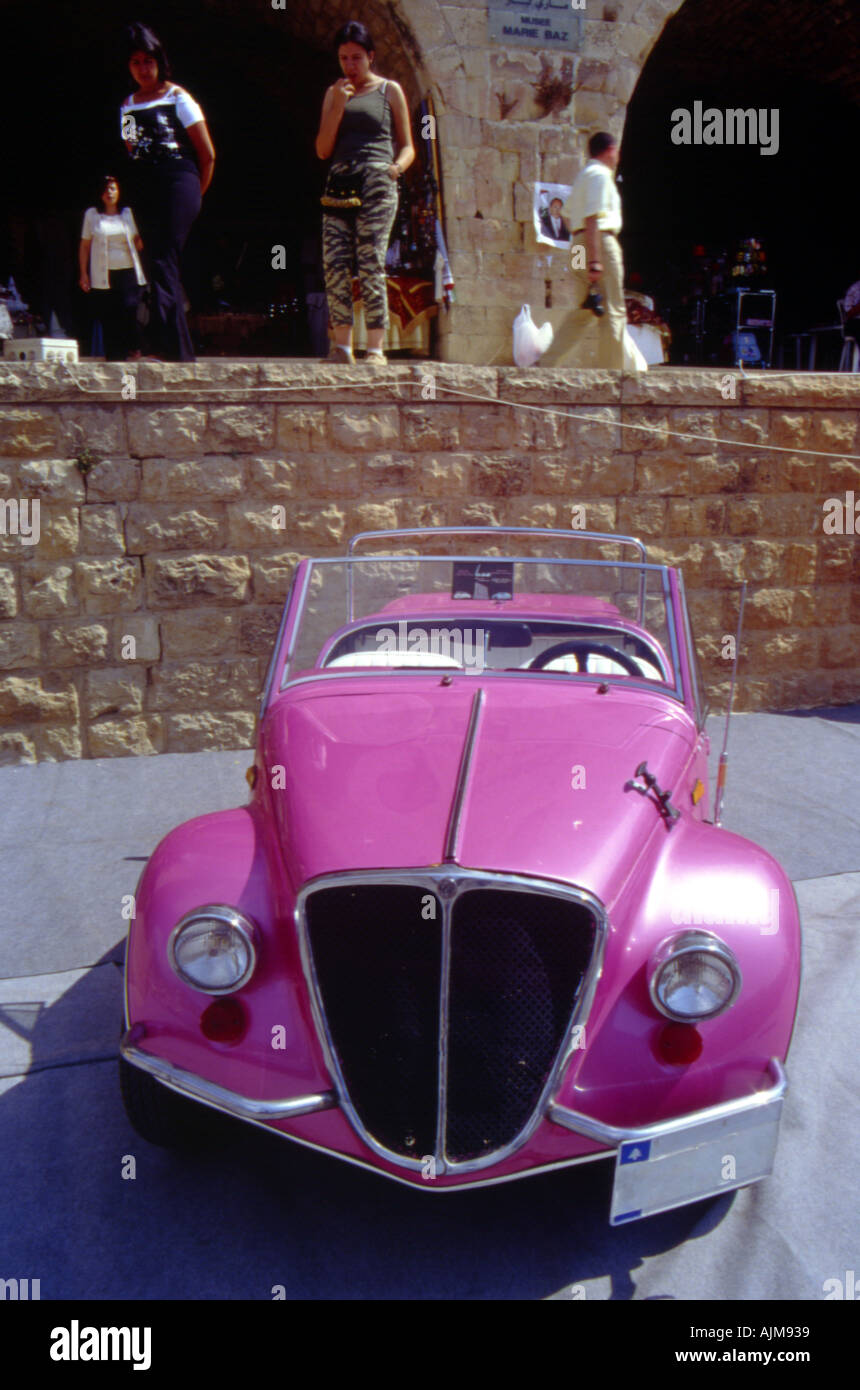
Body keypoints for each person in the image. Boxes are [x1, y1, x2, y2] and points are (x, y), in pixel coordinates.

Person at [316, 21, 415, 364]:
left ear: (371, 56)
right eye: (344, 58)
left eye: (356, 58)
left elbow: (407, 145)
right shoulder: (334, 93)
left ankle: (375, 347)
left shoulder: (390, 90)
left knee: (371, 260)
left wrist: (396, 169)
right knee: (335, 262)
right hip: (339, 180)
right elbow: (322, 149)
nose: (350, 65)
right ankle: (342, 346)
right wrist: (338, 106)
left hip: (377, 179)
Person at [120, 22, 215, 360]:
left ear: (158, 61)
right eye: (135, 63)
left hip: (179, 178)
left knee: (165, 259)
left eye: (148, 61)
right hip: (147, 185)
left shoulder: (178, 96)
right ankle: (176, 349)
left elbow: (207, 153)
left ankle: (165, 344)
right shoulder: (127, 106)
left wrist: (195, 194)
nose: (143, 69)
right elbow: (132, 149)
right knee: (156, 262)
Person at [541, 132, 626, 370]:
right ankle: (614, 372)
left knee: (585, 308)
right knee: (614, 309)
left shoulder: (583, 177)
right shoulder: (600, 176)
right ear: (610, 150)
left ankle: (548, 362)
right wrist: (596, 260)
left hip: (578, 245)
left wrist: (580, 247)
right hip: (598, 242)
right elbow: (592, 218)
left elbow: (567, 217)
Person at [78, 175, 146, 360]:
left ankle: (133, 348)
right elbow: (85, 246)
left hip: (128, 271)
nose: (110, 193)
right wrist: (83, 273)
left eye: (113, 189)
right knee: (109, 316)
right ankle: (115, 358)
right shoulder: (92, 215)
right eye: (107, 189)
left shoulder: (127, 214)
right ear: (100, 194)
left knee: (129, 309)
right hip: (104, 273)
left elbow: (138, 242)